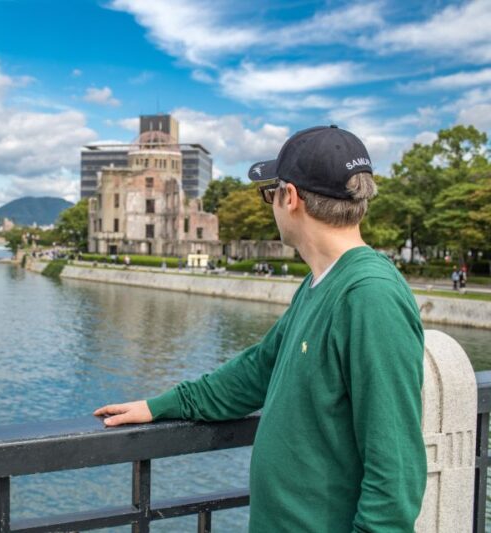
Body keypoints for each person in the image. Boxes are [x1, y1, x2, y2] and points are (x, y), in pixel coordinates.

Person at [94, 125, 426, 532]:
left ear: (290, 197)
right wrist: (160, 405)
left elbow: (396, 477)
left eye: (269, 193)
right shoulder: (321, 281)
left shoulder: (371, 296)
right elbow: (260, 369)